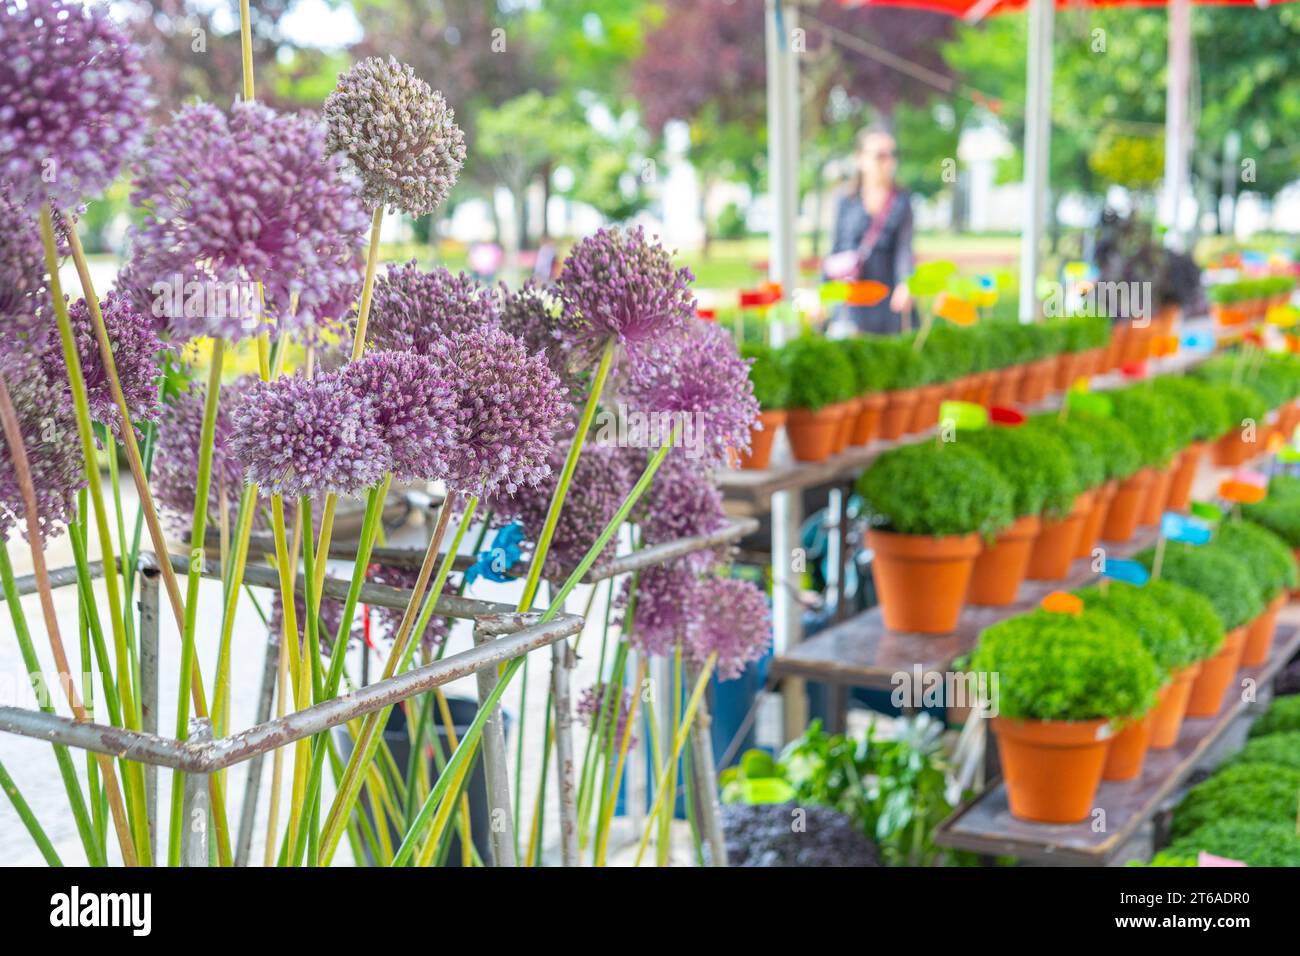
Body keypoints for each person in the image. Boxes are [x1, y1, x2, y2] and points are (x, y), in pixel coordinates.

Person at [825, 126, 915, 335]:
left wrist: (906, 283)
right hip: (851, 298)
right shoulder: (845, 199)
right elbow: (835, 248)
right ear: (860, 159)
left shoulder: (902, 201)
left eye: (892, 155)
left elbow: (905, 248)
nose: (888, 162)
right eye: (880, 155)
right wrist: (823, 296)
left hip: (886, 296)